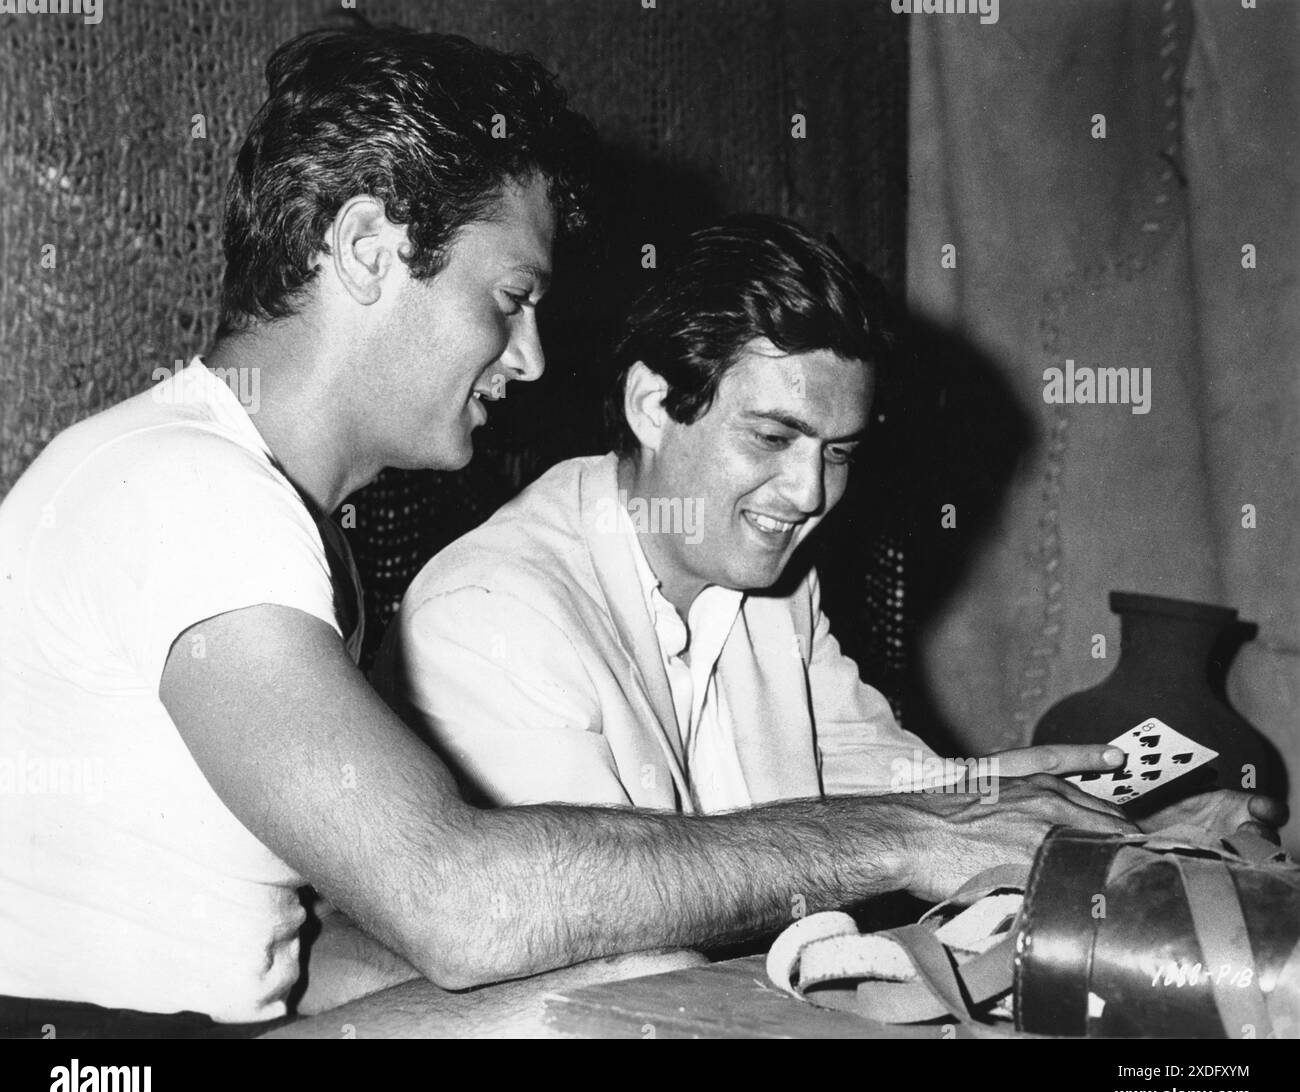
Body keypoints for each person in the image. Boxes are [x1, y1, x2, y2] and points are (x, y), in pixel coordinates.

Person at [0, 24, 1164, 1039]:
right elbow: (458, 900)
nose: (534, 357)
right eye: (509, 299)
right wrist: (899, 840)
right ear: (366, 249)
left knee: (643, 989)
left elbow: (297, 949)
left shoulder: (258, 508)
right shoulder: (192, 492)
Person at [374, 216, 1285, 842]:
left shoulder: (776, 582)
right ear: (653, 404)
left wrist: (1054, 811)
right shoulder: (491, 615)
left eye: (840, 451)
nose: (810, 492)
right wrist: (923, 844)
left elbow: (882, 781)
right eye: (773, 436)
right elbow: (623, 930)